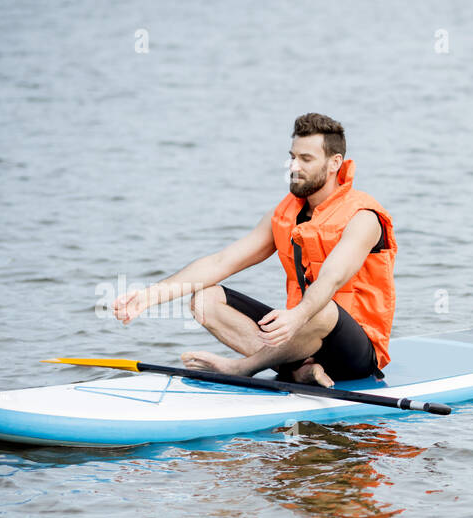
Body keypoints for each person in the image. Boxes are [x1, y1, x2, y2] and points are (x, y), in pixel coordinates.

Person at [112, 113, 396, 387]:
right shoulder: (285, 213)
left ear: (335, 163)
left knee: (321, 309)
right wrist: (150, 296)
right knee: (205, 298)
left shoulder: (363, 217)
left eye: (306, 159)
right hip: (298, 336)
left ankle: (241, 368)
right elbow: (222, 261)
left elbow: (331, 279)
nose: (294, 167)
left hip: (356, 350)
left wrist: (296, 317)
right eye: (292, 157)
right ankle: (300, 370)